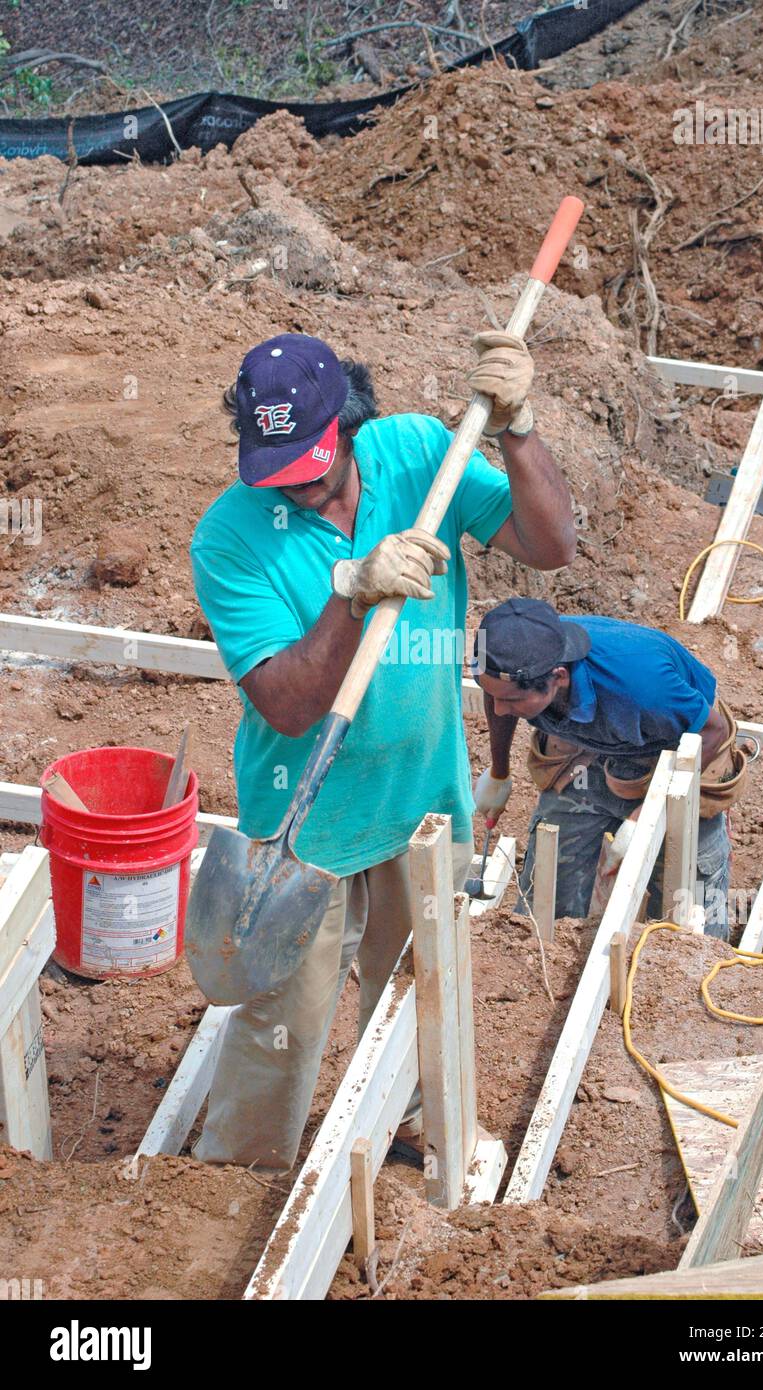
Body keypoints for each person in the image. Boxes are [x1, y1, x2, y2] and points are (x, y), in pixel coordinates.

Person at [189, 331, 578, 1169]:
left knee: (418, 991)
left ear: (350, 425)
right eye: (275, 464)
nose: (293, 481)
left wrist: (518, 428)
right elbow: (288, 706)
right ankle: (234, 1175)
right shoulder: (227, 539)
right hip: (306, 818)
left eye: (311, 462)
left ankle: (409, 1117)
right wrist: (352, 592)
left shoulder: (418, 455)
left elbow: (550, 547)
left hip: (422, 798)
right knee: (282, 1022)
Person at [472, 597, 745, 939]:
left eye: (511, 700)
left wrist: (643, 816)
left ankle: (692, 958)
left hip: (677, 741)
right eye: (493, 693)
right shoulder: (514, 656)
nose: (499, 709)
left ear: (558, 676)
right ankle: (543, 954)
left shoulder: (645, 686)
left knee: (688, 896)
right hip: (585, 746)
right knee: (550, 875)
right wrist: (499, 773)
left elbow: (713, 732)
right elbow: (496, 691)